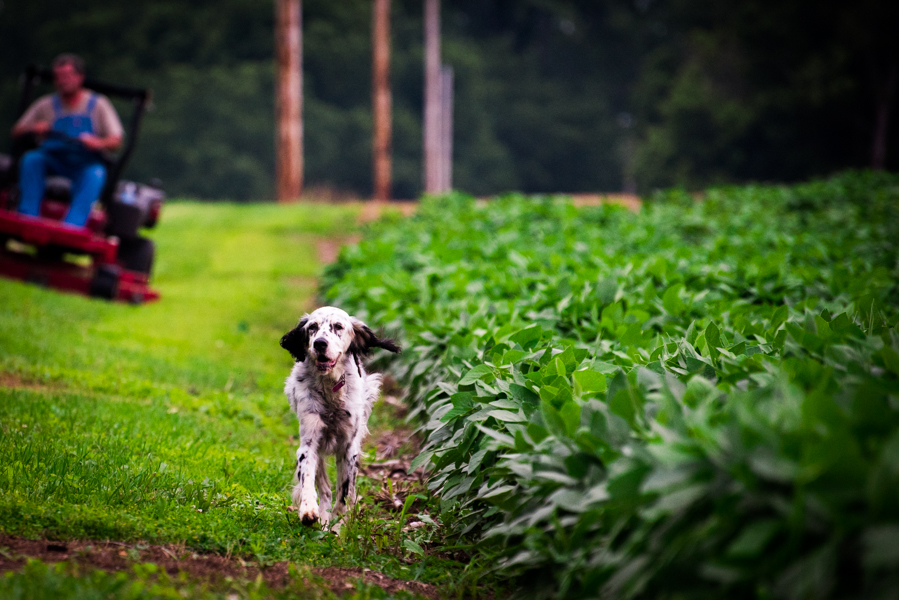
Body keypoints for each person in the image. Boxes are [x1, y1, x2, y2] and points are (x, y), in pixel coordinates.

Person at [11, 54, 123, 228]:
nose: (62, 81)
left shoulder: (98, 104)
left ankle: (73, 226)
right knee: (31, 160)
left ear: (80, 77)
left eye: (67, 76)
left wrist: (97, 143)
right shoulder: (45, 104)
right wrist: (34, 128)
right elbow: (17, 131)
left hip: (84, 163)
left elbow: (116, 140)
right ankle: (28, 217)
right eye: (58, 77)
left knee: (96, 174)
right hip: (52, 159)